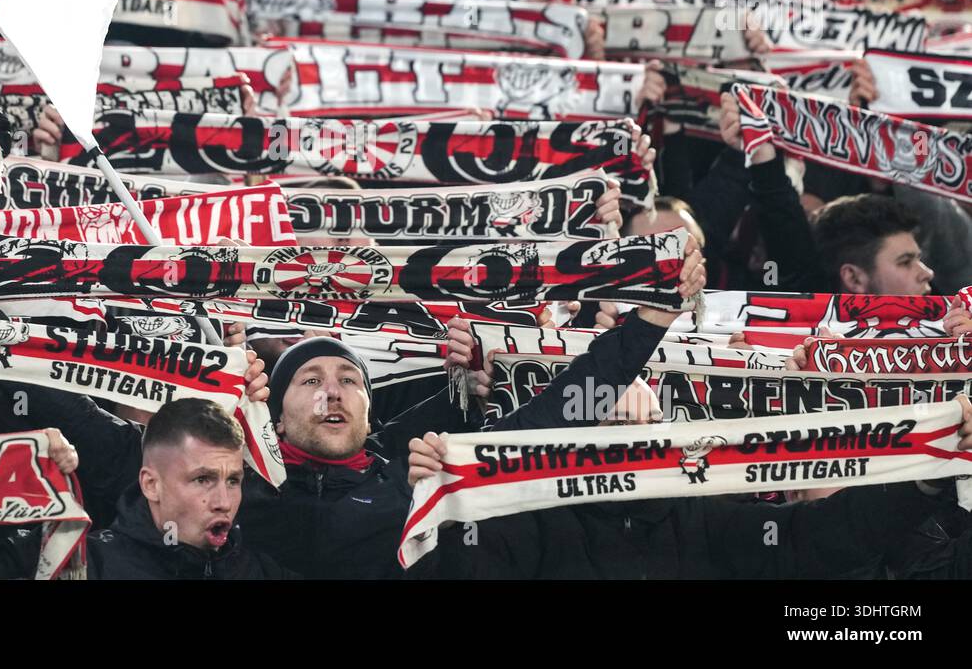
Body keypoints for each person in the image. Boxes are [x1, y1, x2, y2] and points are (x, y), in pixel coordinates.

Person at [234, 237, 707, 578]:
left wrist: (652, 319)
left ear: (369, 411)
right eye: (310, 380)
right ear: (274, 414)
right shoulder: (242, 487)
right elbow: (322, 543)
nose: (331, 392)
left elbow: (541, 423)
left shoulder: (408, 460)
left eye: (349, 380)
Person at [407, 374, 972, 579]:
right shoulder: (523, 523)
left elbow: (813, 538)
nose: (630, 440)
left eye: (646, 425)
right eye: (610, 424)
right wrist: (441, 505)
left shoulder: (703, 514)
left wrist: (924, 476)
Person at [84, 397, 292, 578]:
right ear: (151, 485)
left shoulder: (261, 572)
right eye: (202, 479)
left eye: (232, 481)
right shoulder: (89, 565)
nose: (223, 503)